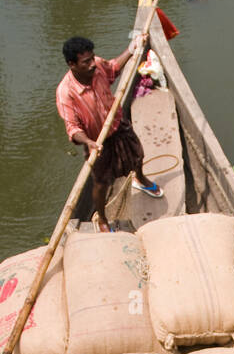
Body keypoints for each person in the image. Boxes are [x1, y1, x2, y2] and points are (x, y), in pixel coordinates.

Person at [56, 34, 163, 231]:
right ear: (72, 64)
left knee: (137, 153)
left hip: (117, 124)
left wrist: (132, 49)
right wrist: (88, 142)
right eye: (85, 62)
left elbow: (113, 68)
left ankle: (140, 178)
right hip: (97, 141)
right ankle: (103, 219)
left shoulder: (97, 66)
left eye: (92, 58)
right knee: (101, 182)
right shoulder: (66, 93)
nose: (92, 65)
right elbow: (73, 128)